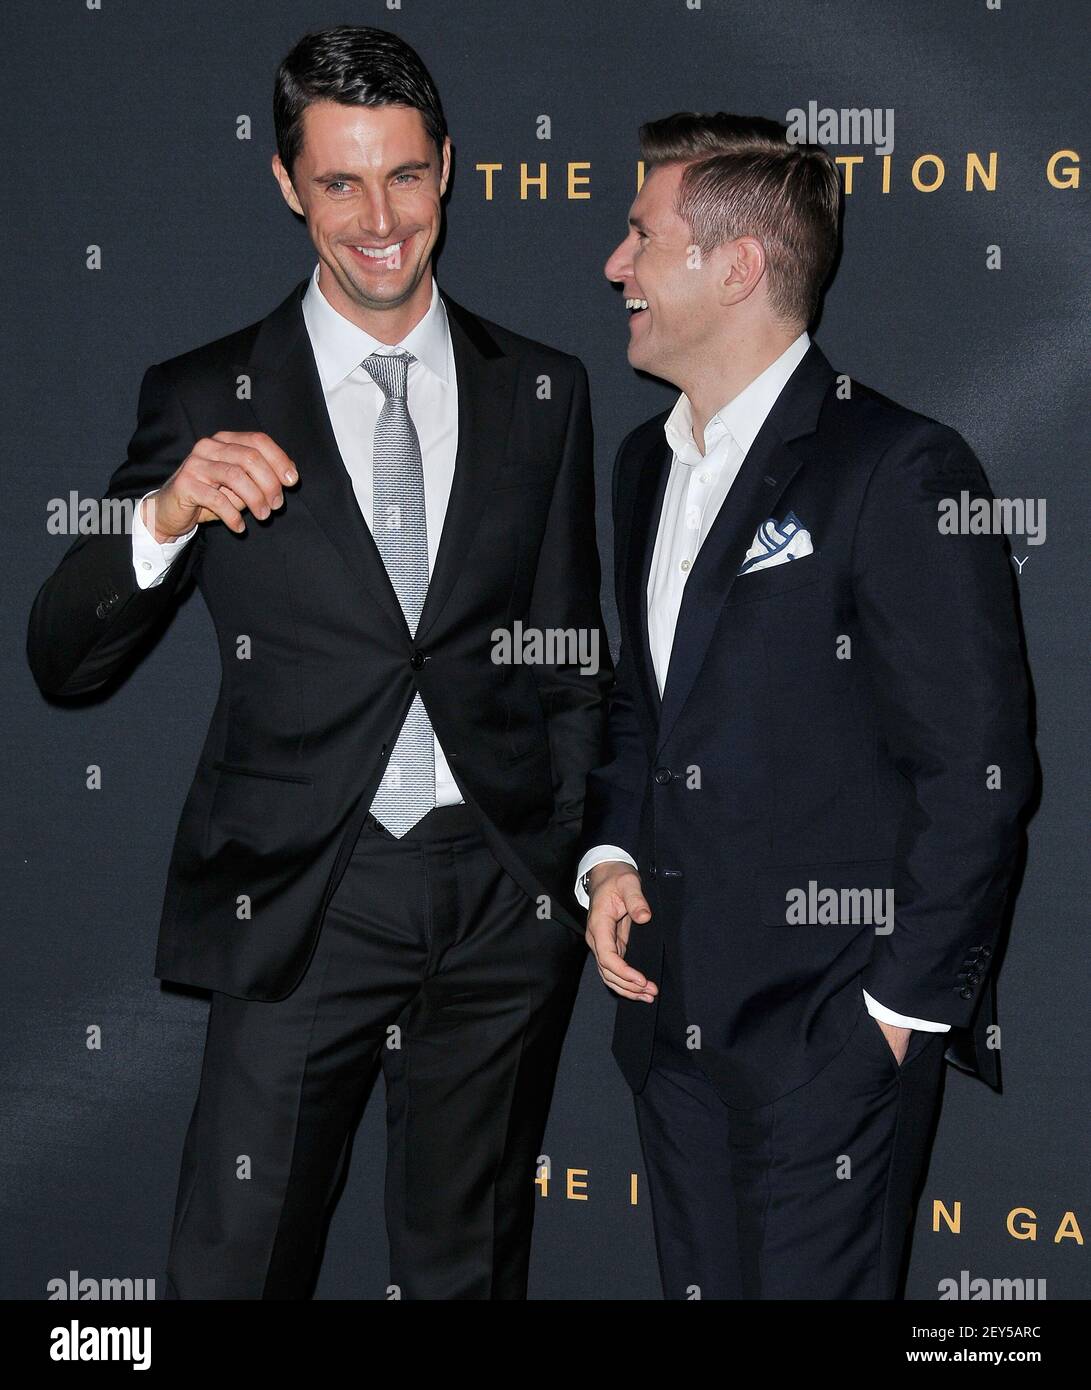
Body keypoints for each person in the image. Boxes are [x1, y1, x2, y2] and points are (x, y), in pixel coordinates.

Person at [26, 24, 610, 1300]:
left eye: (403, 174)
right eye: (339, 181)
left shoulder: (542, 391)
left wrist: (561, 862)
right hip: (302, 899)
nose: (378, 218)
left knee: (468, 1271)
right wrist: (162, 518)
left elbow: (571, 660)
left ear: (447, 167)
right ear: (287, 184)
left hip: (499, 899)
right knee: (235, 1268)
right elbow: (61, 661)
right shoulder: (200, 397)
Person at [578, 112, 1034, 1299]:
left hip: (828, 1042)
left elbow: (976, 772)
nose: (614, 265)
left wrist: (891, 1017)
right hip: (671, 1033)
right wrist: (612, 853)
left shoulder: (897, 468)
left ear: (734, 269)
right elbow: (644, 702)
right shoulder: (642, 465)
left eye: (640, 236)